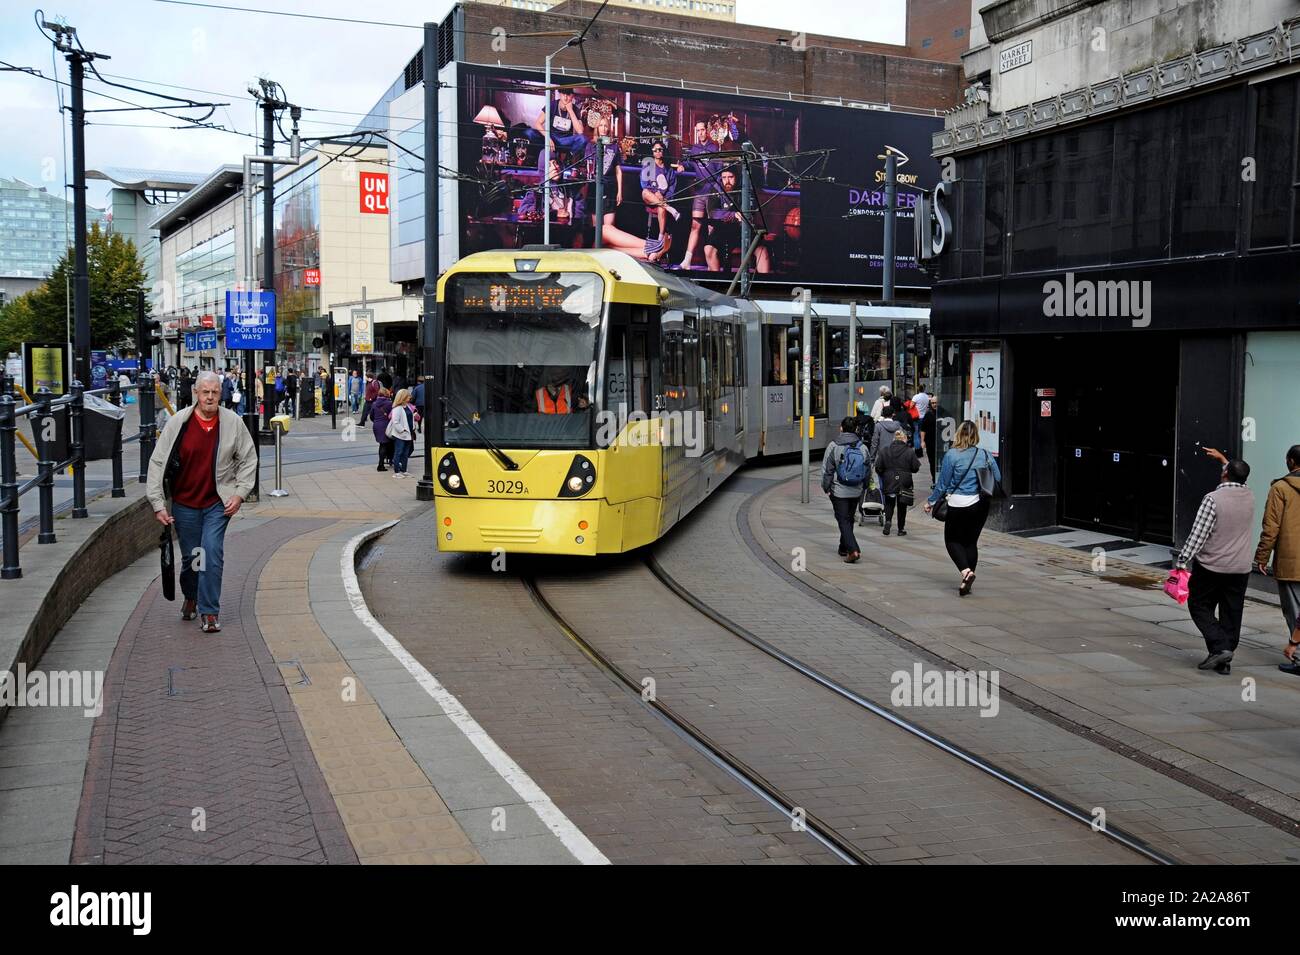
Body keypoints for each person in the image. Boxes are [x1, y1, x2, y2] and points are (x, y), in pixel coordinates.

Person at [146, 370, 257, 635]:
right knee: (192, 557)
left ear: (221, 393)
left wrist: (239, 493)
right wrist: (158, 503)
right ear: (196, 393)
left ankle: (209, 612)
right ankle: (191, 595)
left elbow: (248, 459)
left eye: (215, 392)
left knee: (211, 553)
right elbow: (158, 461)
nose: (210, 397)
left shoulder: (232, 422)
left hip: (217, 503)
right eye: (205, 392)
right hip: (185, 503)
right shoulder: (179, 423)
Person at [1176, 449, 1255, 674]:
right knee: (1232, 612)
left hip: (1212, 566)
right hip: (1240, 568)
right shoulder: (1249, 495)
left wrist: (1183, 559)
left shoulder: (1213, 499)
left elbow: (1198, 534)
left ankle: (1219, 647)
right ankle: (1224, 659)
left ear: (1224, 474)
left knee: (1199, 605)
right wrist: (1223, 460)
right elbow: (1238, 475)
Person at [924, 420, 1001, 596]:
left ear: (958, 434)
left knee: (952, 540)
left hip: (958, 503)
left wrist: (931, 501)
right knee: (970, 542)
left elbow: (942, 484)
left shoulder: (952, 455)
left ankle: (966, 572)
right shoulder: (985, 454)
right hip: (980, 504)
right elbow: (997, 477)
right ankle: (967, 581)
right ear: (976, 436)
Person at [1255, 443, 1300, 676]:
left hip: (1292, 561)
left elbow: (1271, 527)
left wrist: (1262, 556)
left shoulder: (1280, 488)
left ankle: (1299, 655)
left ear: (1290, 462)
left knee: (1294, 609)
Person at [703, 168, 771, 274]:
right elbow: (712, 213)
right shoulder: (716, 189)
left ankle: (766, 285)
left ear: (737, 177)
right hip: (722, 229)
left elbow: (751, 211)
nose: (727, 181)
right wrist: (733, 214)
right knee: (708, 249)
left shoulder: (746, 189)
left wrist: (743, 215)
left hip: (742, 228)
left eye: (730, 177)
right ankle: (716, 282)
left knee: (762, 251)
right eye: (724, 177)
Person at [821, 417, 869, 563]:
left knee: (843, 520)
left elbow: (827, 470)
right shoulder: (862, 447)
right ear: (855, 429)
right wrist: (864, 487)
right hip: (856, 490)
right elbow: (868, 470)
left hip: (839, 490)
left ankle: (853, 550)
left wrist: (826, 487)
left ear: (841, 428)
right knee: (848, 518)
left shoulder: (834, 446)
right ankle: (843, 548)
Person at [675, 121, 720, 270]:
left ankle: (711, 264)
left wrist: (717, 191)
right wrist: (682, 165)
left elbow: (720, 171)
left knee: (711, 228)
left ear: (707, 131)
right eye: (698, 130)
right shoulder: (694, 148)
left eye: (702, 130)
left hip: (712, 192)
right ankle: (687, 261)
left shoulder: (714, 148)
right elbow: (688, 163)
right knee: (695, 225)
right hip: (699, 192)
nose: (700, 133)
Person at [876, 426, 921, 537]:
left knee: (889, 503)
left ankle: (888, 521)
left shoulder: (885, 450)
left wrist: (885, 474)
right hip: (904, 481)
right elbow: (915, 468)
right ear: (904, 439)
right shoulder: (909, 451)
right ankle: (901, 529)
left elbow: (878, 467)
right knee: (902, 505)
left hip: (889, 479)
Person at [640, 141, 680, 262]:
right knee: (645, 192)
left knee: (661, 207)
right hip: (650, 197)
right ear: (652, 152)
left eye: (660, 149)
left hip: (662, 201)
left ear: (663, 151)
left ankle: (660, 237)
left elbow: (672, 187)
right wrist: (656, 191)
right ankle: (671, 209)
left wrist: (665, 197)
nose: (658, 152)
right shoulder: (649, 164)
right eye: (655, 150)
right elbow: (644, 184)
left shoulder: (669, 169)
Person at [387, 389, 417, 478]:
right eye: (408, 396)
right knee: (398, 452)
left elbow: (410, 418)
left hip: (409, 433)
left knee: (405, 453)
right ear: (403, 397)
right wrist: (402, 430)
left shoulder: (407, 406)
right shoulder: (397, 408)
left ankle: (404, 470)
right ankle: (397, 472)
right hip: (400, 434)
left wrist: (413, 427)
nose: (410, 397)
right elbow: (395, 422)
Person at [371, 387, 394, 471]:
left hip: (377, 426)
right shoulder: (389, 403)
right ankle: (381, 465)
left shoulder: (374, 403)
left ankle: (383, 463)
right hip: (386, 425)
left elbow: (371, 416)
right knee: (384, 445)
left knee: (382, 444)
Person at [921, 398, 939, 483]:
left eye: (936, 403)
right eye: (933, 403)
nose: (934, 404)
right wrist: (922, 441)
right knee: (932, 463)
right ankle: (934, 480)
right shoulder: (928, 414)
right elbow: (923, 429)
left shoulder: (943, 412)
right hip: (930, 442)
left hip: (941, 442)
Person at [910, 386, 931, 450]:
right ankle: (923, 445)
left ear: (918, 389)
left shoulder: (916, 396)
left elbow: (911, 406)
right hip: (924, 417)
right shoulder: (927, 396)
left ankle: (918, 450)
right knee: (922, 432)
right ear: (924, 389)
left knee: (916, 433)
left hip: (916, 417)